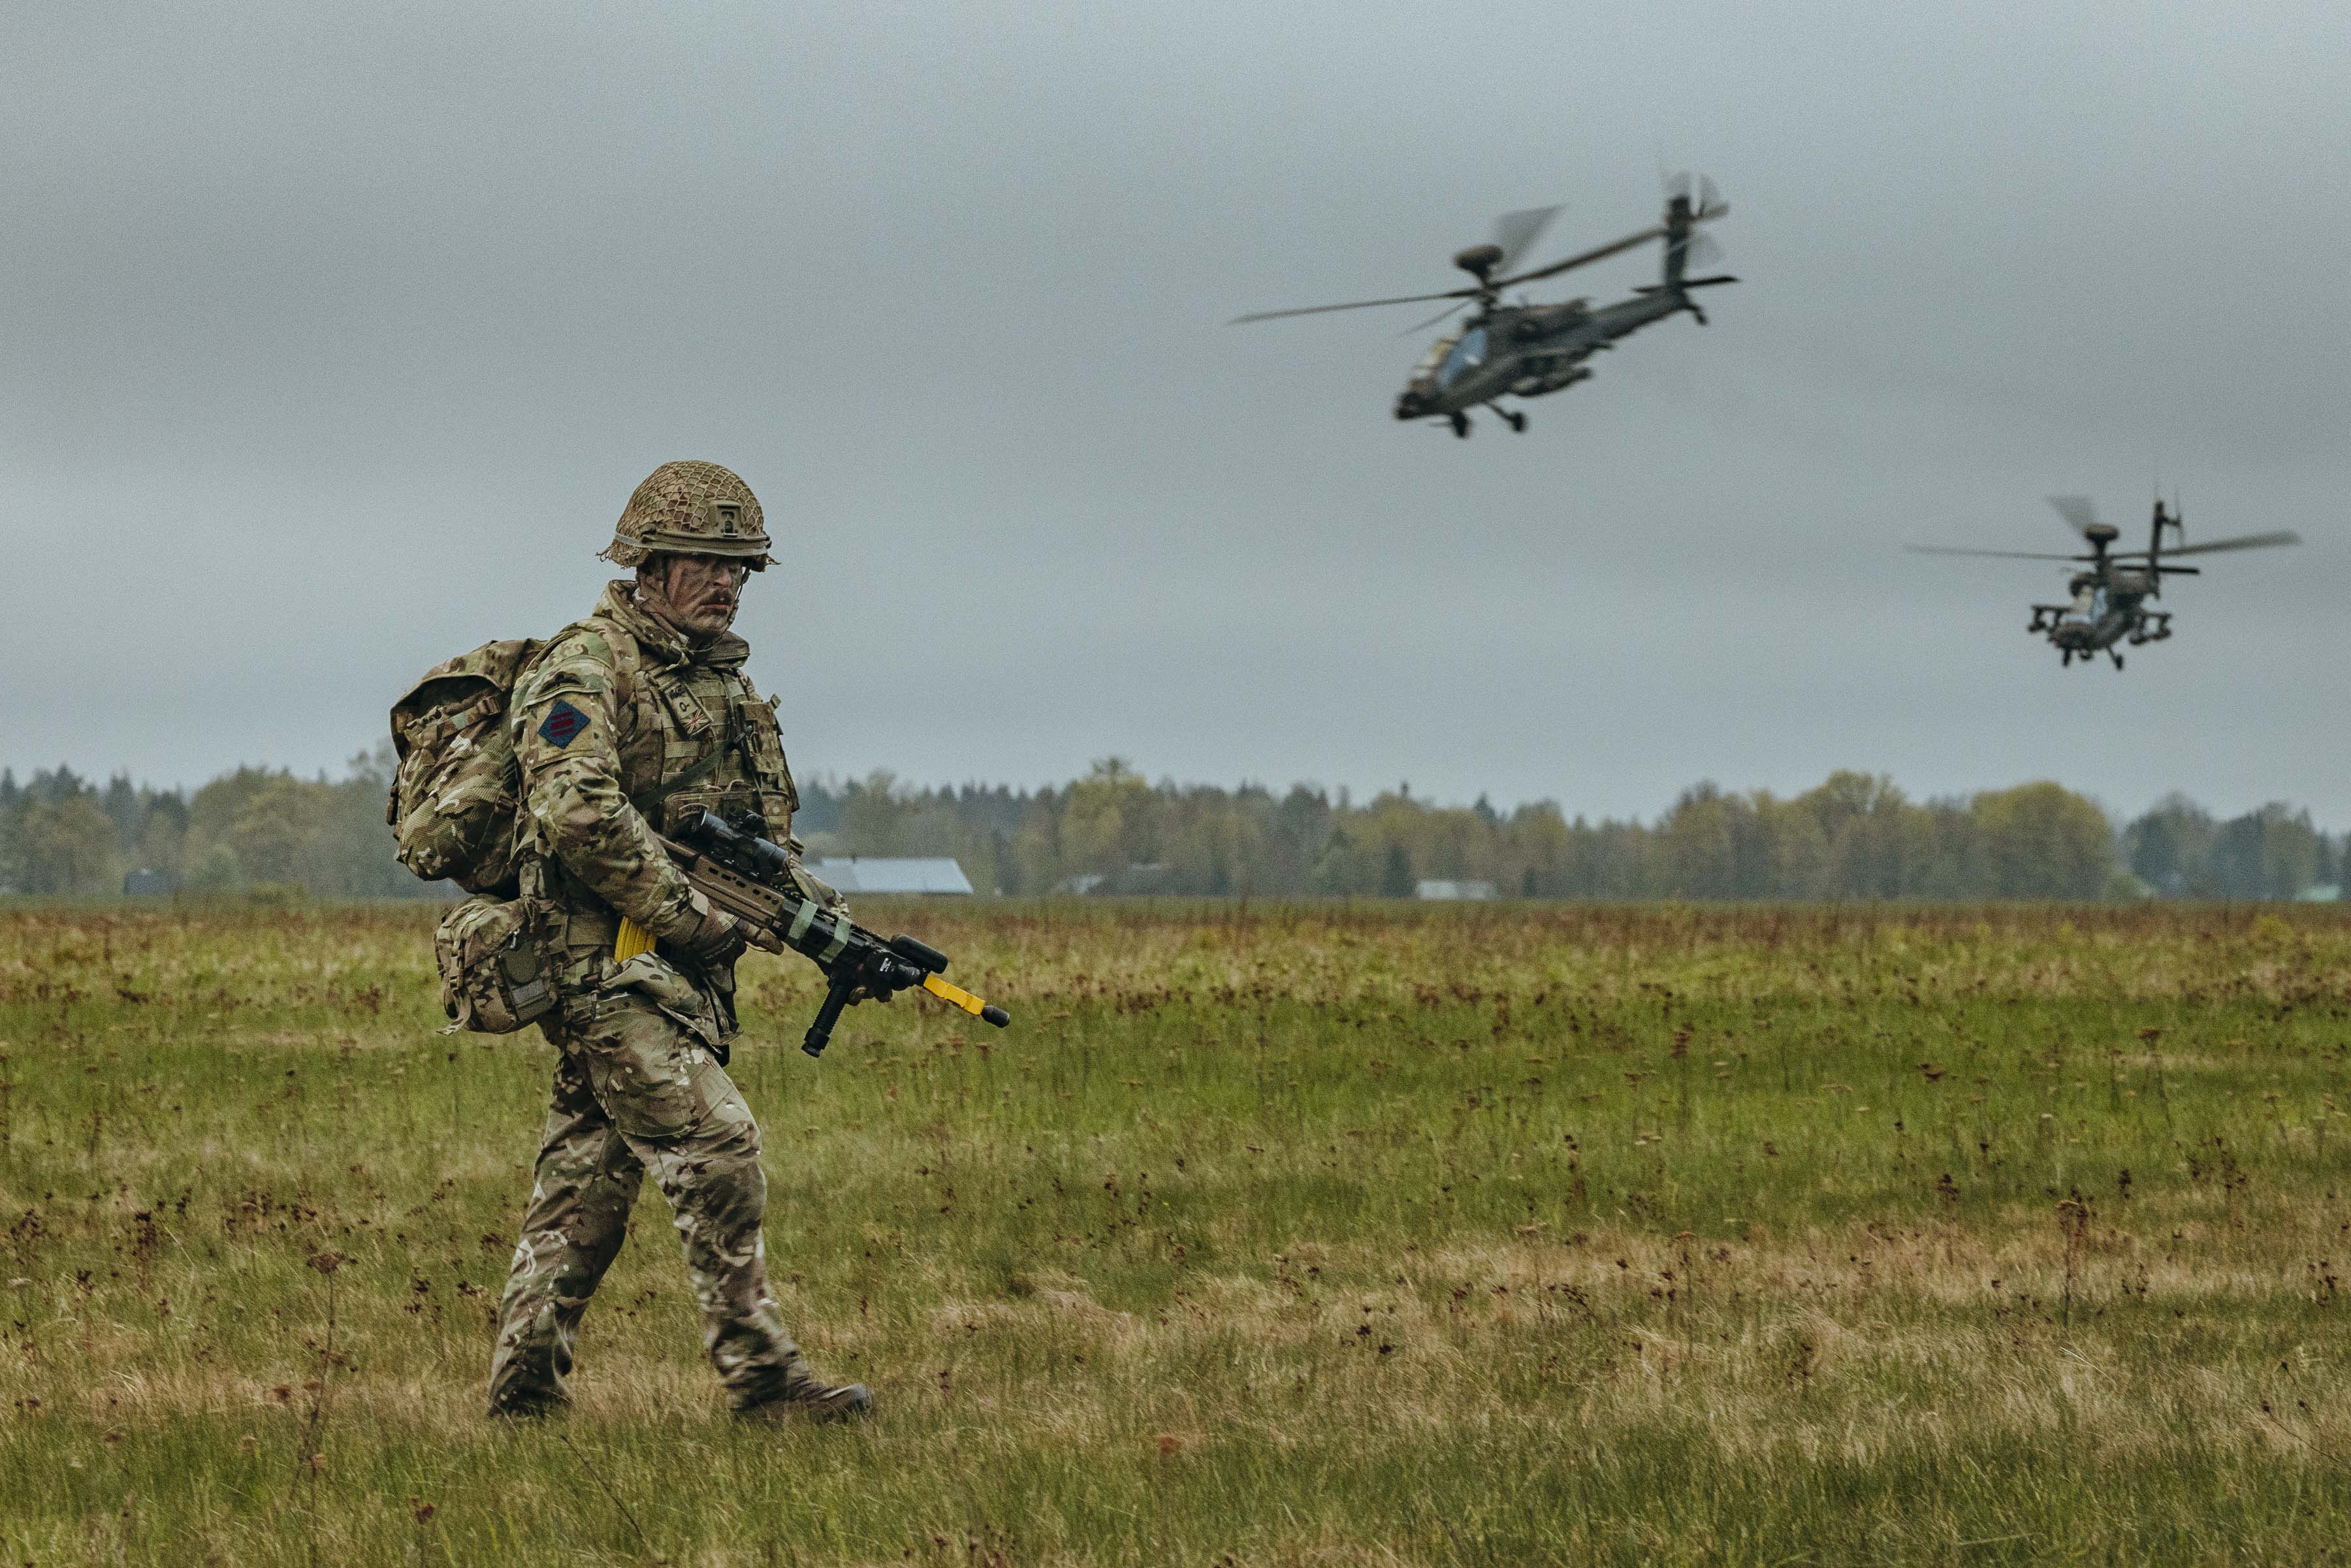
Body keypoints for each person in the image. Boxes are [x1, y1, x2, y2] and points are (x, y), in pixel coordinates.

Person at [485, 460, 871, 1422]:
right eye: (708, 560)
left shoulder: (719, 684)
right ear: (650, 562)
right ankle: (767, 1384)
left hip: (667, 975)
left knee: (584, 1195)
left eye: (742, 566)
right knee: (718, 1140)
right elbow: (575, 806)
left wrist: (840, 932)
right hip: (601, 972)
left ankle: (521, 1400)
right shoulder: (587, 664)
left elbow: (748, 843)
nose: (729, 582)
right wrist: (688, 916)